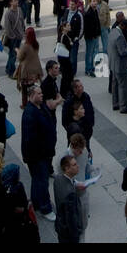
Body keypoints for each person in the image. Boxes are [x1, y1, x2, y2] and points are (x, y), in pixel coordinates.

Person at [22, 82, 57, 220]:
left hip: (45, 152)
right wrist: (37, 156)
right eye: (39, 93)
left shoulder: (41, 106)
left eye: (41, 93)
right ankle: (45, 208)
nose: (42, 95)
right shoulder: (30, 114)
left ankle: (36, 203)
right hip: (37, 156)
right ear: (31, 96)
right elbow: (30, 139)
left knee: (37, 180)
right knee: (42, 181)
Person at [53, 154, 86, 244]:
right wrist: (77, 232)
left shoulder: (58, 179)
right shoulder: (70, 194)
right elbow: (72, 217)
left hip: (60, 226)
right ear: (67, 168)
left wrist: (74, 184)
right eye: (74, 165)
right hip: (69, 234)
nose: (78, 166)